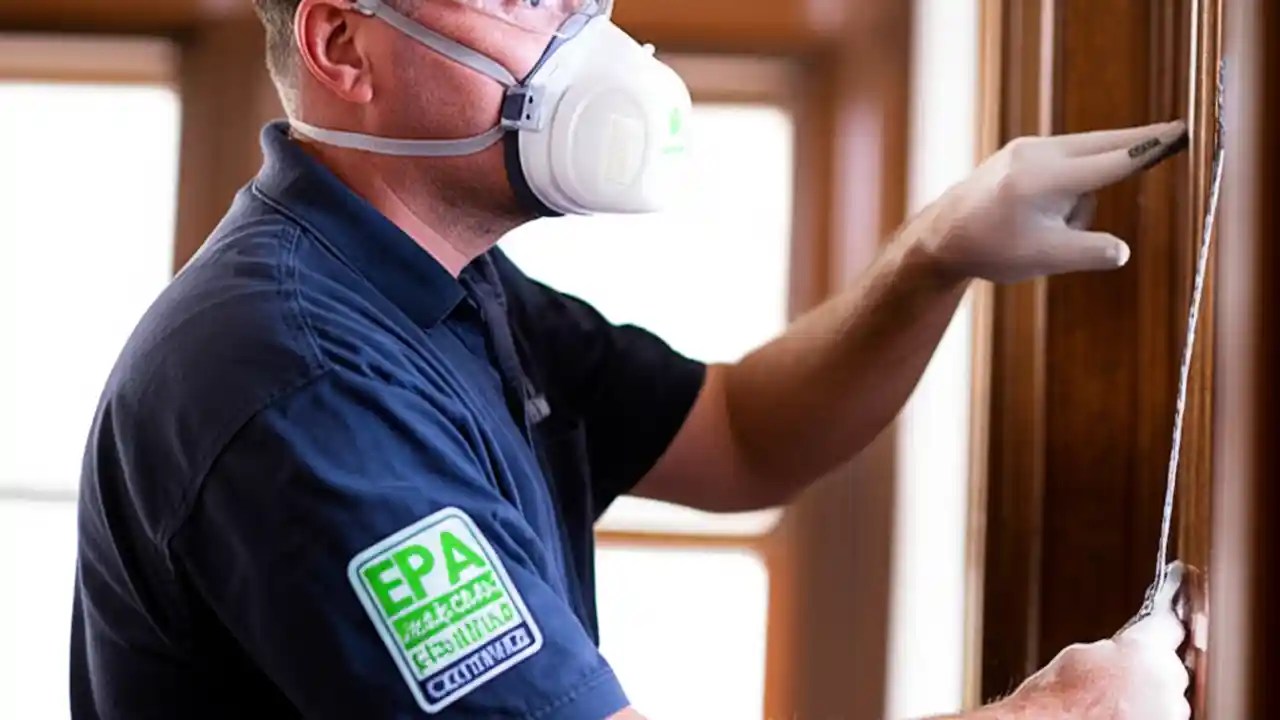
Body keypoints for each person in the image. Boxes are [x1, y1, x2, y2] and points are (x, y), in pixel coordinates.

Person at [69, 0, 1192, 718]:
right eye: (517, 1)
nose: (578, 34)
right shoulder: (300, 381)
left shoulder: (440, 292)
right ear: (341, 45)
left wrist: (931, 255)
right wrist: (1060, 714)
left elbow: (743, 437)